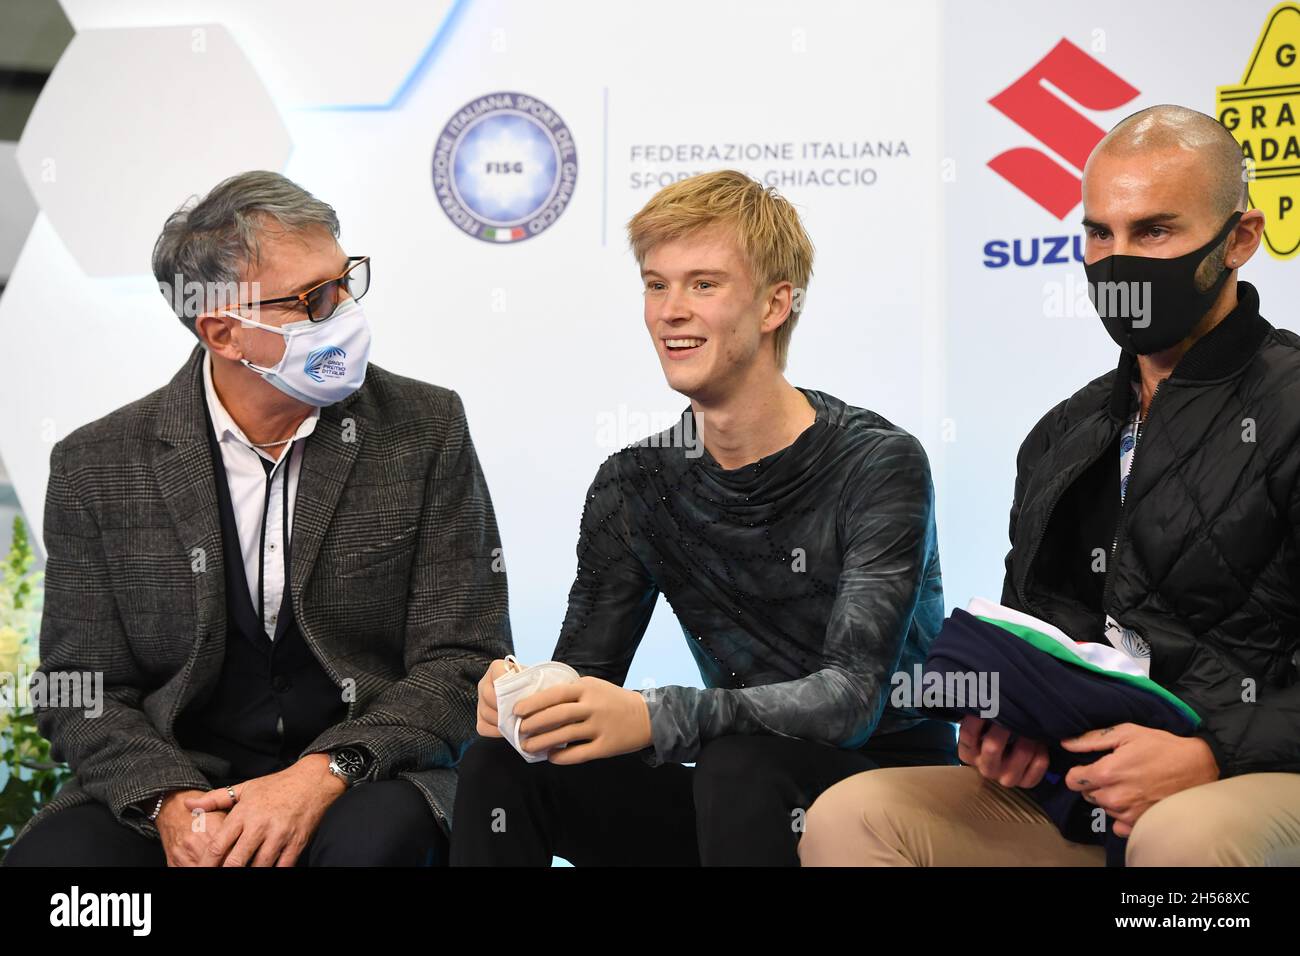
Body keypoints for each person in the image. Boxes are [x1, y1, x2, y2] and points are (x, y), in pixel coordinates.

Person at [799, 105, 1300, 867]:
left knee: (1182, 837)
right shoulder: (1062, 434)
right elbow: (1042, 638)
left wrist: (1210, 753)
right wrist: (1010, 731)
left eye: (1154, 232)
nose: (1118, 259)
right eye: (1101, 233)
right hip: (1095, 792)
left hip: (1263, 776)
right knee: (852, 817)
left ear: (1239, 239)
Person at [4, 171, 511, 867]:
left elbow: (463, 659)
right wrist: (168, 803)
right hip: (185, 781)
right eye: (313, 299)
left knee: (379, 845)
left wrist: (321, 776)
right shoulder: (97, 464)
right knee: (55, 870)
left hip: (364, 777)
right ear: (223, 331)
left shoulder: (424, 429)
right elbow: (82, 688)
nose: (345, 314)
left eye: (345, 281)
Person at [451, 169, 955, 867]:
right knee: (503, 765)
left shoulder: (878, 463)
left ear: (776, 304)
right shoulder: (635, 483)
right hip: (736, 798)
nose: (670, 311)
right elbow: (587, 673)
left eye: (703, 284)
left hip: (886, 789)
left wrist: (656, 716)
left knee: (739, 764)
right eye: (657, 285)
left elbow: (851, 700)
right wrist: (529, 702)